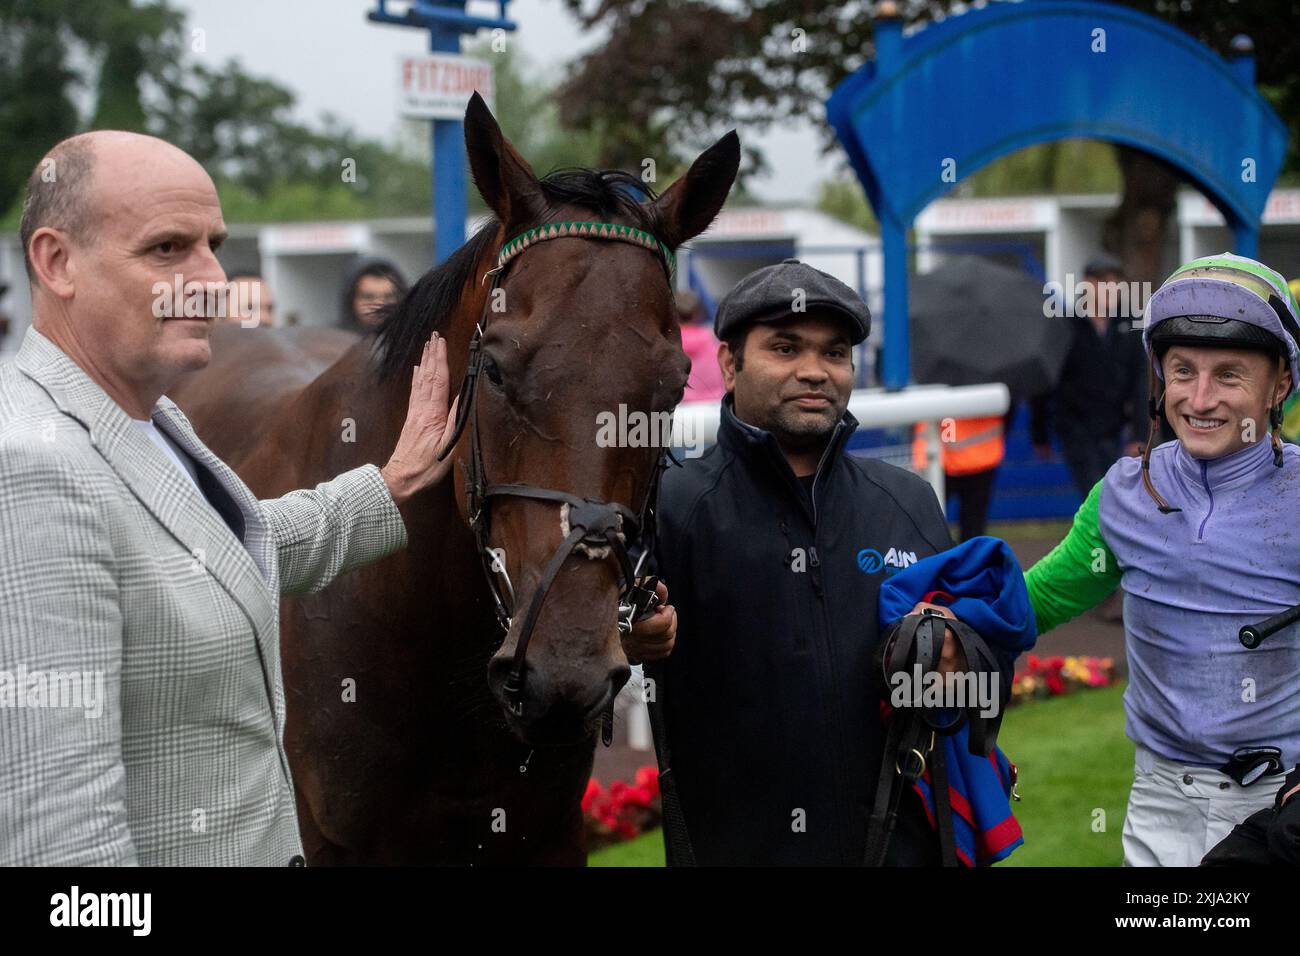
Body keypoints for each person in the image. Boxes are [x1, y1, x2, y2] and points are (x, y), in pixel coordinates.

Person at [0, 131, 459, 865]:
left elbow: (218, 552)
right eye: (167, 249)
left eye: (213, 243)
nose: (214, 279)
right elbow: (61, 851)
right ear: (57, 263)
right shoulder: (30, 467)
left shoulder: (148, 416)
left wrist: (391, 484)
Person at [645, 258, 1002, 865]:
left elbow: (981, 684)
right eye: (786, 349)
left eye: (835, 353)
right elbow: (588, 668)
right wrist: (632, 635)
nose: (815, 371)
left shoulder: (908, 500)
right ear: (729, 364)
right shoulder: (671, 504)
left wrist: (961, 659)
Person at [1024, 253, 1300, 866]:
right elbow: (1035, 601)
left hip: (1281, 813)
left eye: (1229, 375)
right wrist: (939, 621)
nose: (1200, 399)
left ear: (1279, 384)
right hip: (1158, 807)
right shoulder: (1123, 494)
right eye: (1183, 371)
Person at [1031, 253, 1148, 496]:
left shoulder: (1129, 326)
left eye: (1115, 282)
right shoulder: (1066, 326)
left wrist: (1140, 434)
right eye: (1102, 282)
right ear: (1087, 284)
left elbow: (1140, 382)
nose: (1110, 289)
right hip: (1076, 428)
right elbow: (1046, 381)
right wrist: (1040, 433)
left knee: (1115, 491)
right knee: (1096, 492)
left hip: (1114, 428)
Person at [675, 289, 725, 402]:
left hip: (678, 407)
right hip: (713, 407)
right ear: (697, 314)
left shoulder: (667, 345)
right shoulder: (714, 342)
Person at [340, 258, 407, 332]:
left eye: (388, 297)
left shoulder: (413, 340)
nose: (380, 306)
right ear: (351, 300)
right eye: (368, 297)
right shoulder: (332, 340)